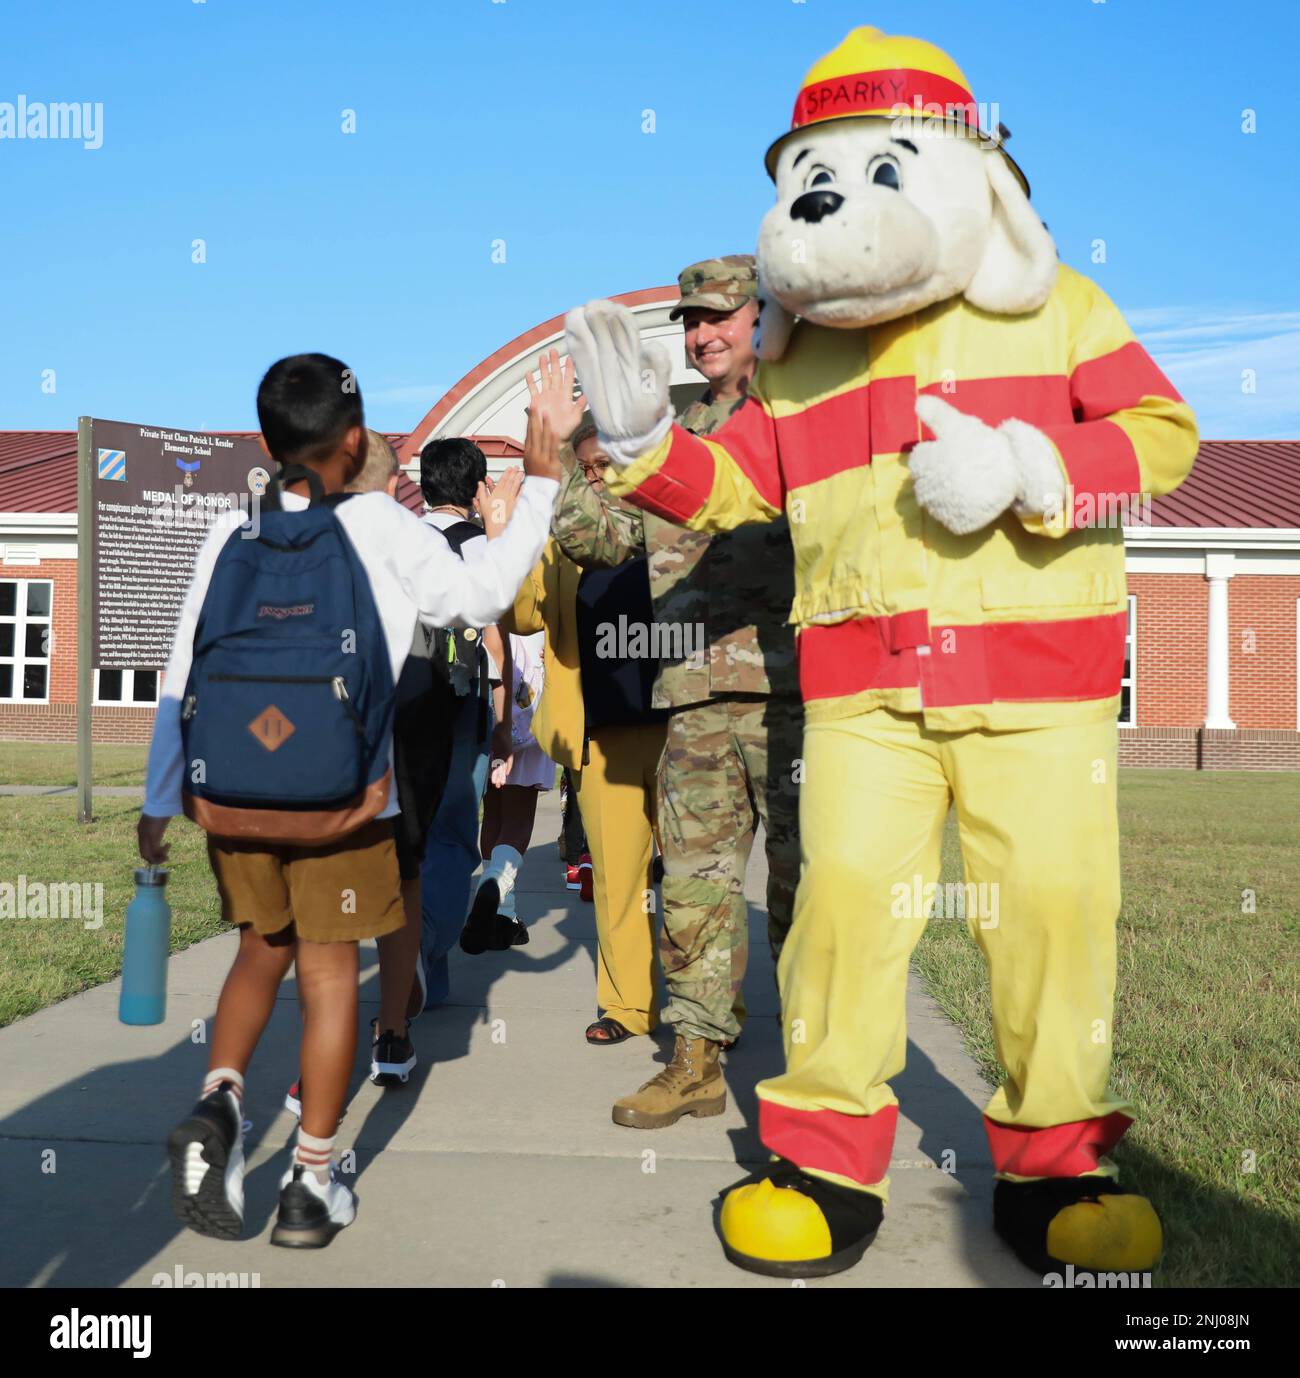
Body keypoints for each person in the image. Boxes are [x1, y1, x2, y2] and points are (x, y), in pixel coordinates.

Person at [139, 354, 560, 1247]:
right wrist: (545, 483)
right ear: (357, 439)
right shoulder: (379, 528)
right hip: (341, 801)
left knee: (260, 951)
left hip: (237, 800)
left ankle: (220, 1101)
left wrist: (159, 800)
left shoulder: (229, 534)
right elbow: (482, 594)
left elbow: (181, 670)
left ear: (266, 442)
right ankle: (311, 1183)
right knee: (331, 979)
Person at [545, 255, 803, 1129]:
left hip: (791, 691)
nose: (702, 335)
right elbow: (601, 543)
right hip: (693, 695)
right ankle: (695, 1058)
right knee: (692, 886)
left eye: (721, 317)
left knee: (810, 890)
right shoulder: (671, 430)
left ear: (762, 318)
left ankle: (818, 1066)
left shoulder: (800, 416)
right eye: (691, 322)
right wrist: (591, 454)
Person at [501, 365, 668, 1045]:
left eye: (608, 465)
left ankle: (707, 1015)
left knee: (692, 887)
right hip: (604, 732)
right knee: (619, 879)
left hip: (684, 727)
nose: (598, 477)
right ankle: (627, 1007)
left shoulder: (671, 525)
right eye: (588, 467)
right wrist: (510, 539)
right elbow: (519, 619)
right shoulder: (564, 542)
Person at [413, 439, 517, 985]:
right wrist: (502, 727)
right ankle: (423, 945)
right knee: (453, 838)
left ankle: (428, 976)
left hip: (401, 706)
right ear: (478, 489)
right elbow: (496, 650)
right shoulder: (479, 549)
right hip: (459, 706)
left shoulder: (400, 543)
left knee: (409, 836)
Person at [467, 628, 553, 948]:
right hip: (529, 693)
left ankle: (503, 913)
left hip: (493, 695)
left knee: (493, 813)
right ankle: (495, 887)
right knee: (517, 820)